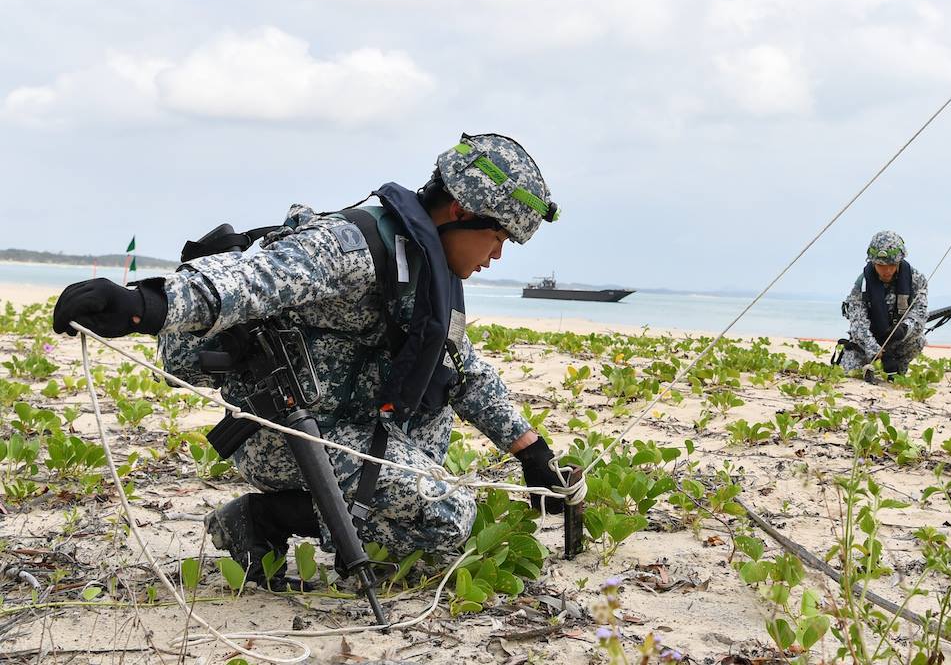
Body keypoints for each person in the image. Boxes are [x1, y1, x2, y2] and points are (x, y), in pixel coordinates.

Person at [51, 133, 572, 587]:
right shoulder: (355, 244)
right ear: (459, 211)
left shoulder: (429, 271)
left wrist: (530, 450)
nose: (497, 256)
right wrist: (146, 306)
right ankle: (264, 520)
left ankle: (336, 510)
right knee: (446, 522)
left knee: (434, 423)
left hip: (345, 421)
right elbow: (257, 280)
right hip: (284, 433)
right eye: (498, 237)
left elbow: (459, 365)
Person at [837, 230, 929, 380]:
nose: (886, 271)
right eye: (880, 265)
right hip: (868, 341)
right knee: (849, 375)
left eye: (892, 265)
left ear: (899, 261)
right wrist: (876, 351)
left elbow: (920, 314)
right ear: (872, 262)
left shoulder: (916, 280)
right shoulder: (862, 284)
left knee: (918, 341)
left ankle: (898, 368)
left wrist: (904, 329)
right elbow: (858, 323)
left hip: (898, 339)